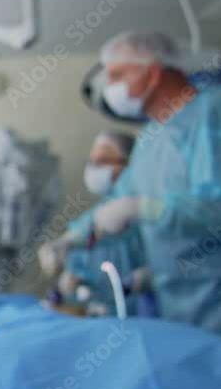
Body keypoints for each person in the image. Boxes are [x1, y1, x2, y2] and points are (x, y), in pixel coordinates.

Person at [66, 30, 221, 362]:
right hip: (186, 306)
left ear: (153, 72)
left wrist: (144, 208)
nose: (109, 87)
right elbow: (117, 202)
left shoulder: (219, 113)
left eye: (116, 75)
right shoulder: (152, 140)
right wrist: (70, 239)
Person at [41, 132, 149, 314]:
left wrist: (144, 280)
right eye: (90, 162)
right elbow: (88, 231)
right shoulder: (107, 208)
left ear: (128, 162)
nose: (94, 168)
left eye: (102, 161)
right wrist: (64, 244)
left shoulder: (142, 204)